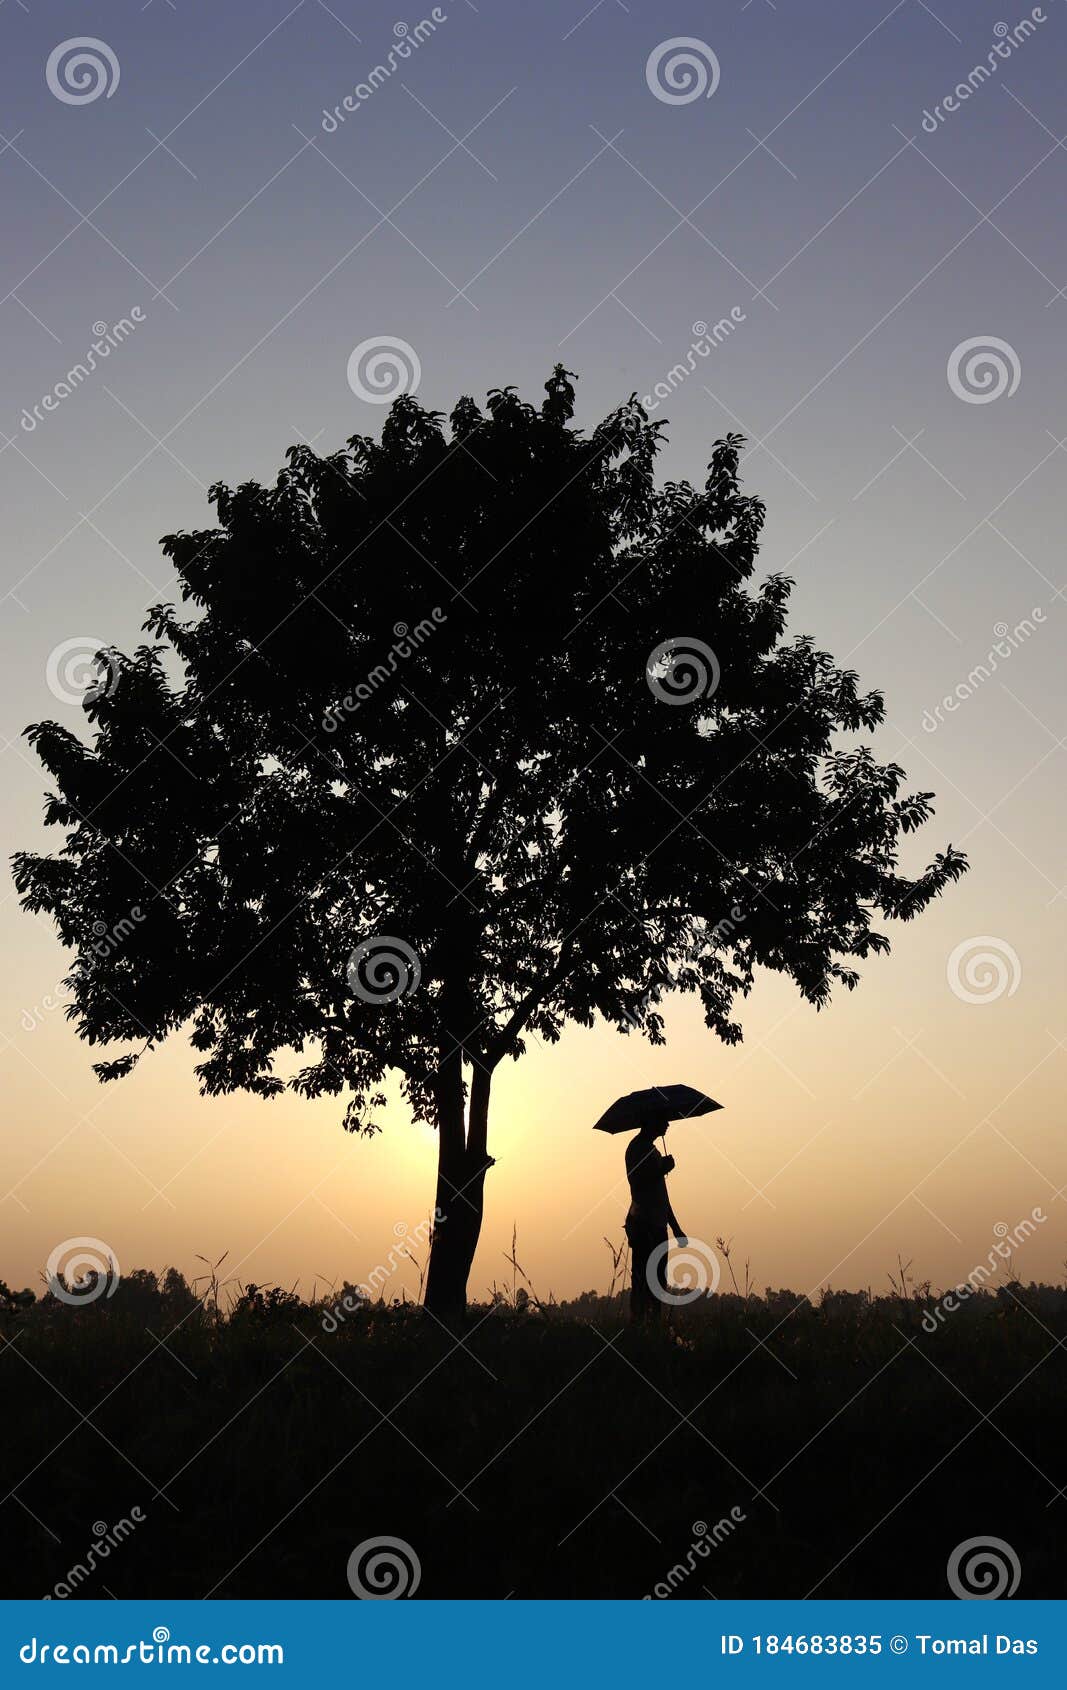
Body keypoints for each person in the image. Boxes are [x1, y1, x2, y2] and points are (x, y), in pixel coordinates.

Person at [624, 1114, 687, 1322]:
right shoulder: (636, 1149)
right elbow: (637, 1183)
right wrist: (661, 1169)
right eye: (663, 1120)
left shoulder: (651, 1150)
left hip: (657, 1225)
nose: (668, 1124)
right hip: (644, 1225)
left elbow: (662, 1196)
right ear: (650, 1121)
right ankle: (640, 1327)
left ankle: (653, 1327)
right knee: (643, 1280)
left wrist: (676, 1228)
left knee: (658, 1281)